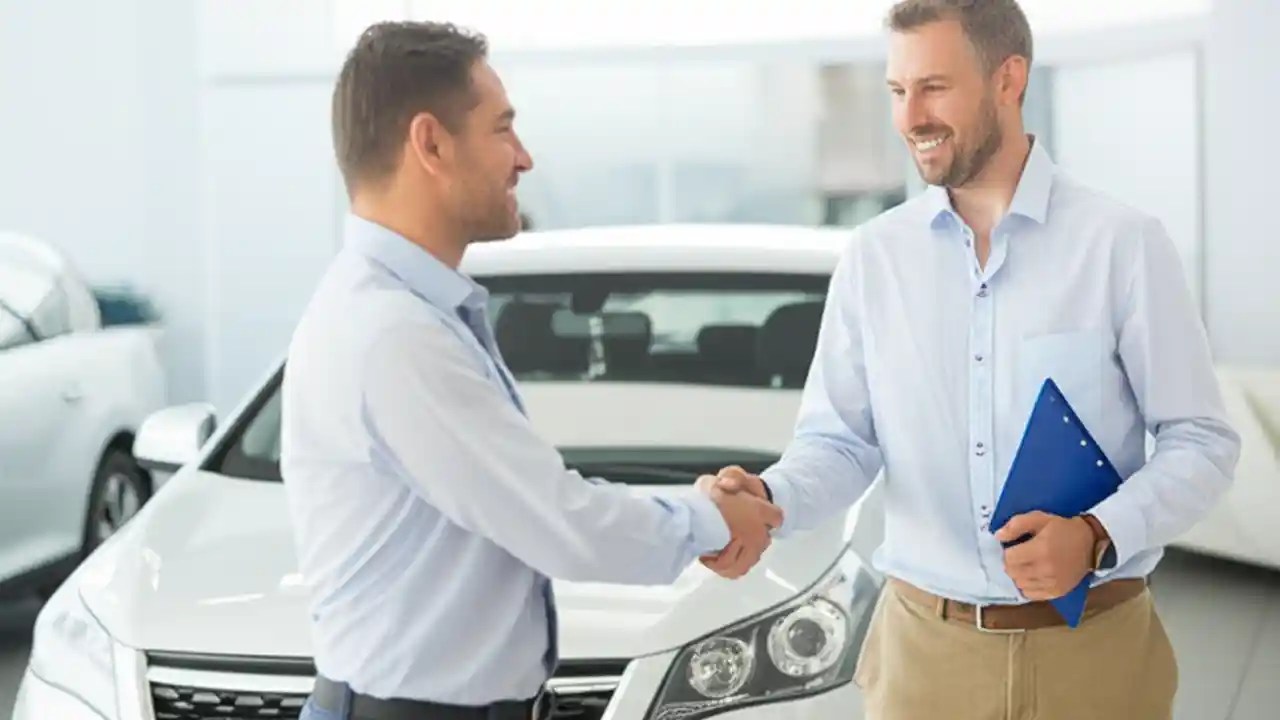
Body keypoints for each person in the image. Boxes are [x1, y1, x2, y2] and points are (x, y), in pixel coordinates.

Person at [700, 1, 1240, 718]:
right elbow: (840, 443)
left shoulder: (1121, 245)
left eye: (934, 87)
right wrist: (770, 501)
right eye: (898, 91)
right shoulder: (874, 260)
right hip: (925, 661)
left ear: (1008, 80)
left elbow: (1202, 442)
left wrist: (1098, 534)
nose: (910, 116)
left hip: (1097, 656)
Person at [281, 22, 782, 720]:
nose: (524, 158)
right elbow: (558, 521)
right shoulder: (394, 335)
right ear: (430, 143)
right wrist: (709, 517)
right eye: (503, 129)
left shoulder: (391, 313)